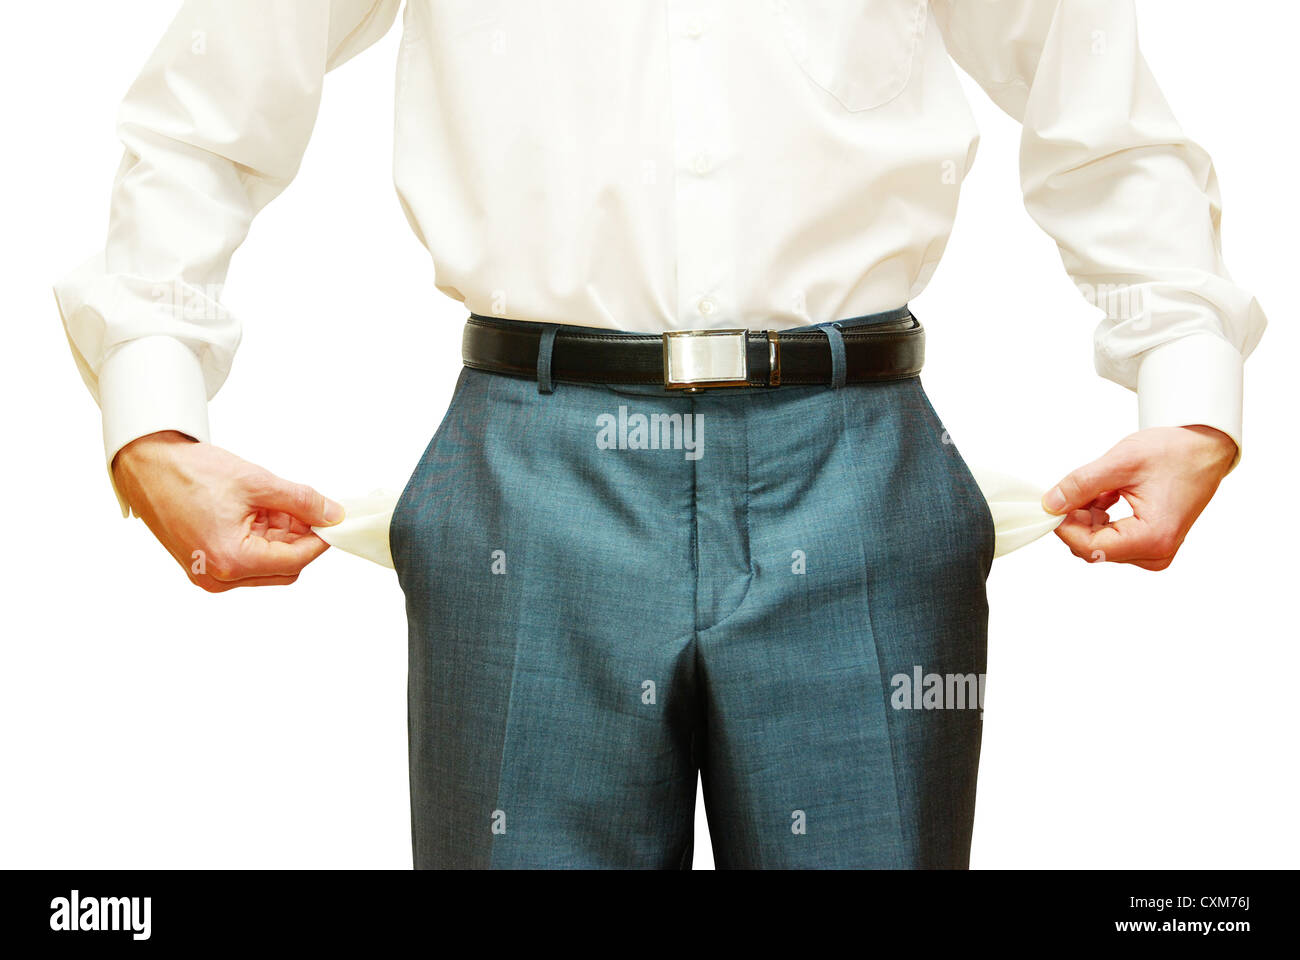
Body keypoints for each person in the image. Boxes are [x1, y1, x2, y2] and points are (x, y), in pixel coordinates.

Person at [55, 1, 1264, 868]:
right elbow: (205, 112)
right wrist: (153, 417)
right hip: (530, 482)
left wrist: (1187, 382)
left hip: (860, 475)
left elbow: (1091, 99)